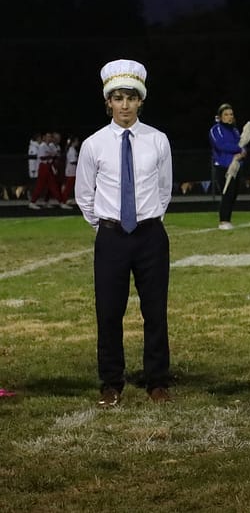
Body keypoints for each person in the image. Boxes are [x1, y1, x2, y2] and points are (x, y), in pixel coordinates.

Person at [75, 59, 173, 407]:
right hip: (112, 236)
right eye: (118, 98)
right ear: (108, 102)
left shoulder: (158, 140)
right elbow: (84, 195)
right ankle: (111, 382)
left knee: (155, 311)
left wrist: (146, 221)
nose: (125, 105)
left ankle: (157, 380)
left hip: (150, 234)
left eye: (131, 97)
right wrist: (106, 225)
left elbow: (164, 191)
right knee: (108, 311)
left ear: (140, 101)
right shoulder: (93, 144)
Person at [209, 103, 246, 230]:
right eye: (226, 114)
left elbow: (242, 143)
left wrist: (242, 152)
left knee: (234, 193)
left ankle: (228, 219)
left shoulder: (235, 130)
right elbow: (220, 145)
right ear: (220, 116)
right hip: (223, 166)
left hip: (235, 166)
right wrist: (239, 149)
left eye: (231, 114)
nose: (229, 117)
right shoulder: (216, 129)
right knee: (227, 193)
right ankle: (223, 220)